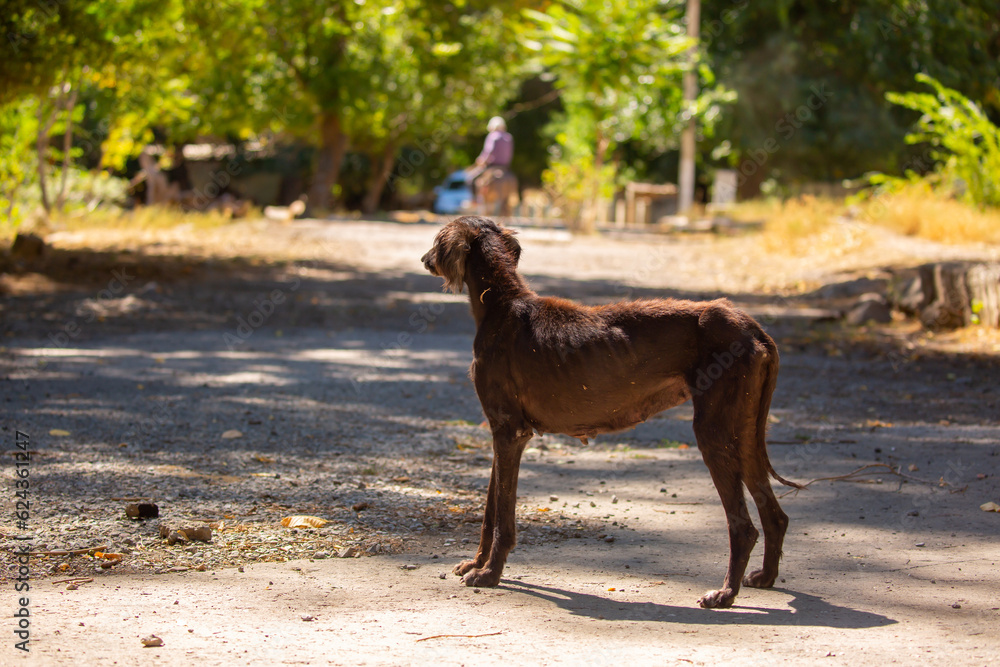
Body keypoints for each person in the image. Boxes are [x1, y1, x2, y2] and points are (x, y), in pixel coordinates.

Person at [466, 116, 514, 211]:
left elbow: (488, 151)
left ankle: (474, 200)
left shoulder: (492, 136)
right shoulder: (509, 137)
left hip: (492, 166)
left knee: (470, 178)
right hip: (505, 167)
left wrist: (482, 160)